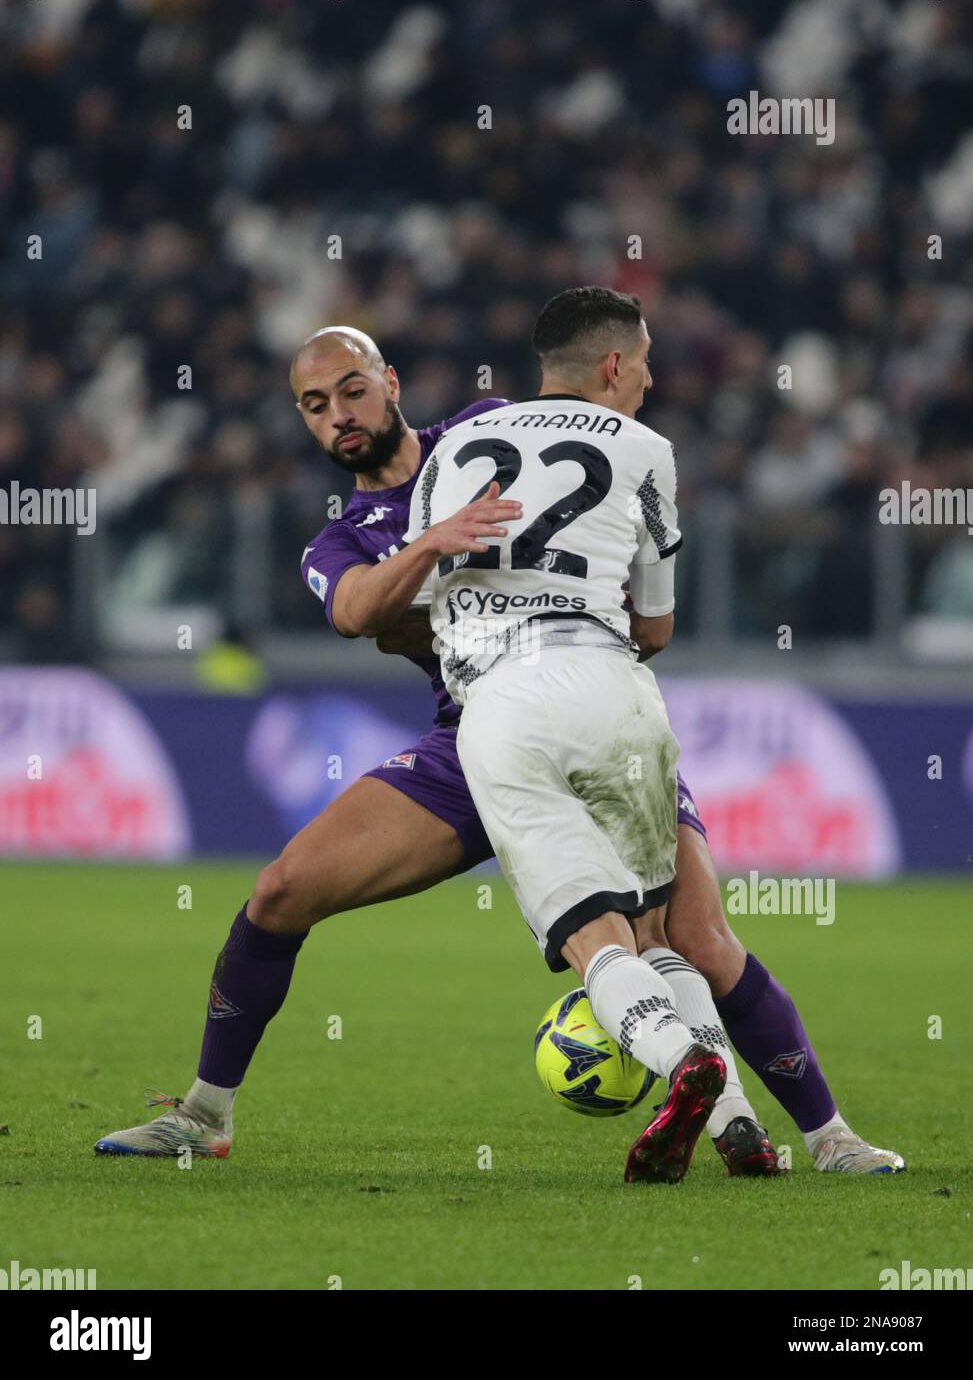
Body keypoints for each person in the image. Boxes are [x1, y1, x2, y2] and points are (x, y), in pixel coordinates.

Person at [95, 318, 903, 1177]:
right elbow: (357, 610)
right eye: (314, 405)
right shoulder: (338, 538)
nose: (338, 415)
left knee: (698, 936)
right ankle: (204, 1116)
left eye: (352, 390)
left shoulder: (488, 433)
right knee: (281, 891)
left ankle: (830, 1138)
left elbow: (575, 489)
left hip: (588, 708)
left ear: (392, 382)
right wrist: (430, 547)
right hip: (468, 739)